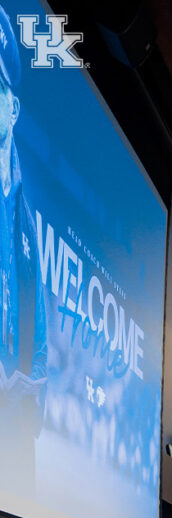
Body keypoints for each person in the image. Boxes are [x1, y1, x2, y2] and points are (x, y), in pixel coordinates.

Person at [0, 6, 48, 482]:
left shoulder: (21, 202)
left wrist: (33, 390)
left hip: (13, 417)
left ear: (12, 106)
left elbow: (37, 310)